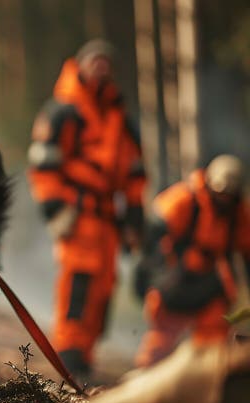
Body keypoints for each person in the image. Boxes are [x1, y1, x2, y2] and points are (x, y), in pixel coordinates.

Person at [26, 39, 147, 380]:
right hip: (77, 215)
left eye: (107, 63)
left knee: (104, 287)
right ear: (80, 65)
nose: (102, 68)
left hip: (107, 218)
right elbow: (43, 165)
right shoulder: (63, 111)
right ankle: (67, 356)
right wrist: (55, 211)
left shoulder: (118, 116)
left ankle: (85, 356)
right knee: (78, 284)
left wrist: (134, 215)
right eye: (96, 62)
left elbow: (134, 172)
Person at [134, 155, 250, 366]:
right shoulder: (185, 200)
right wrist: (146, 277)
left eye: (229, 196)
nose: (224, 199)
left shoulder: (239, 216)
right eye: (220, 193)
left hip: (209, 280)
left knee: (215, 333)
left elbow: (246, 251)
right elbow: (152, 236)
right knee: (160, 340)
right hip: (175, 278)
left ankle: (204, 375)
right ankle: (145, 374)